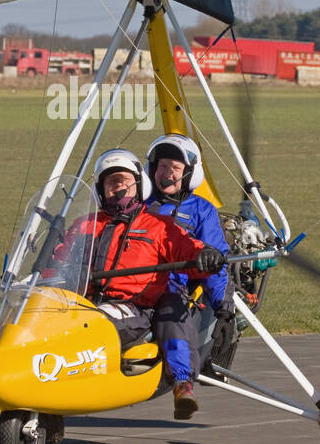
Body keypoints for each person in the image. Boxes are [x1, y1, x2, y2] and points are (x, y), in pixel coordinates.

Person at [53, 149, 226, 418]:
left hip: (131, 308)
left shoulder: (157, 225)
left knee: (90, 332)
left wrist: (204, 254)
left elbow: (185, 246)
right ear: (101, 190)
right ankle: (45, 406)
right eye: (111, 183)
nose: (118, 187)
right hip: (81, 303)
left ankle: (182, 382)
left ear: (138, 184)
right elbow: (58, 260)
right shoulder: (85, 224)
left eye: (124, 181)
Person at [145, 134, 238, 366]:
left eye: (175, 168)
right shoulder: (138, 204)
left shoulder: (201, 210)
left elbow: (216, 262)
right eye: (162, 166)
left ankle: (182, 379)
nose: (167, 173)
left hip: (174, 293)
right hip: (135, 288)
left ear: (189, 174)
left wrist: (225, 311)